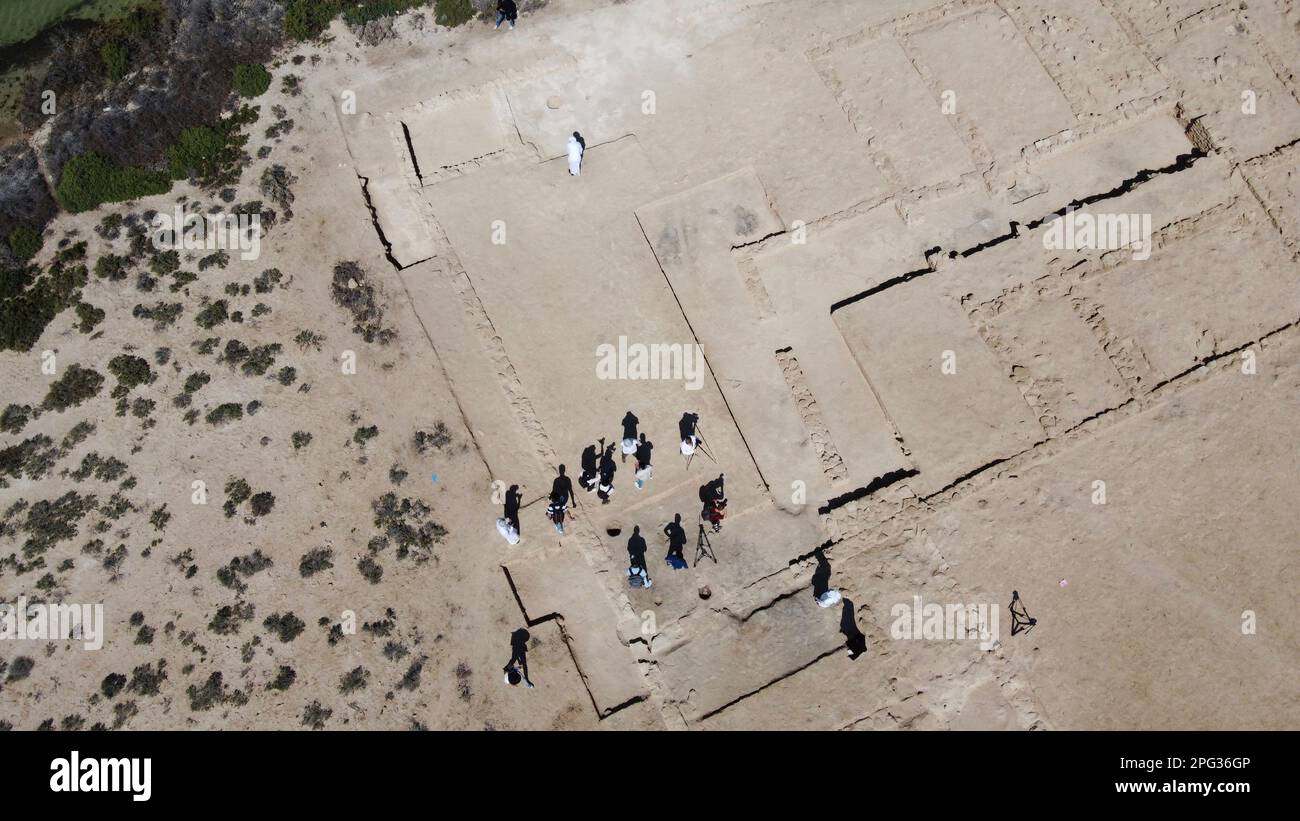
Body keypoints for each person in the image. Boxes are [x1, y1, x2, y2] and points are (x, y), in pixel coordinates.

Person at [548, 465, 574, 534]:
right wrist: (570, 517)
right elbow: (570, 491)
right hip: (563, 499)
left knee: (557, 518)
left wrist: (549, 516)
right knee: (563, 510)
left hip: (557, 511)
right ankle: (559, 527)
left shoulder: (556, 480)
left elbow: (553, 490)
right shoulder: (567, 479)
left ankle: (559, 527)